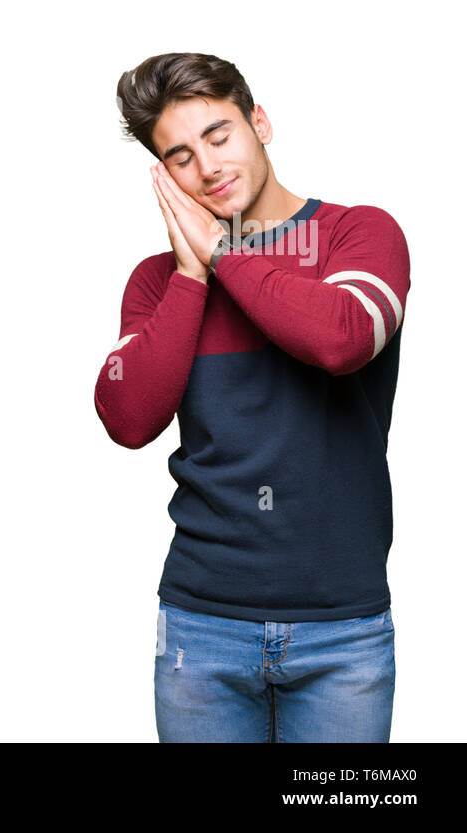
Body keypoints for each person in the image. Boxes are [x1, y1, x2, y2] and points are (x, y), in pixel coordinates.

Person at [96, 52, 410, 742]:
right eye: (179, 156)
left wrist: (223, 254)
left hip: (342, 630)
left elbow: (342, 338)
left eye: (219, 135)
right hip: (200, 628)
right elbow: (127, 416)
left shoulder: (358, 234)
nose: (207, 166)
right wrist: (189, 274)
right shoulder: (156, 282)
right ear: (163, 175)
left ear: (258, 123)